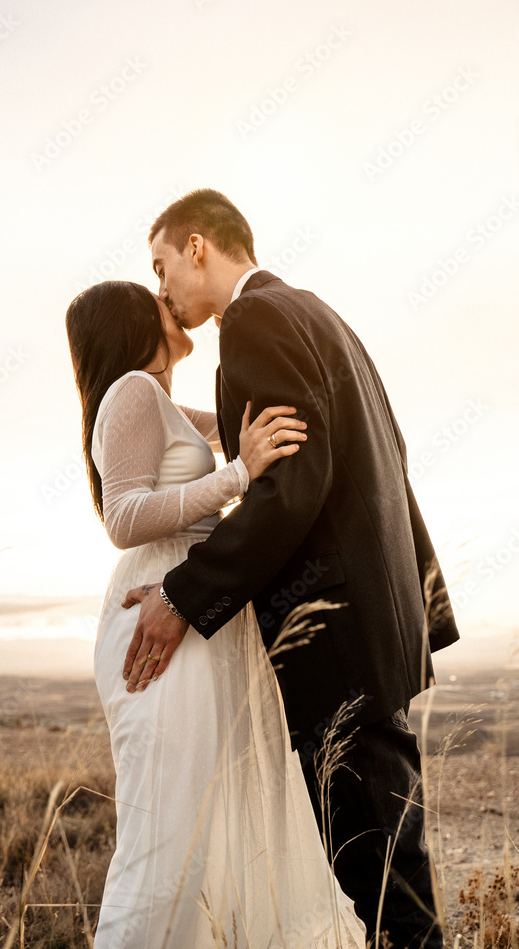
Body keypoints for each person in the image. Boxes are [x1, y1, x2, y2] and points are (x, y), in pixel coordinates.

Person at [121, 189, 461, 949]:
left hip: (338, 648)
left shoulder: (255, 320)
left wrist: (183, 594)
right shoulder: (314, 310)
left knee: (385, 892)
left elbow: (293, 484)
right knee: (390, 878)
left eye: (162, 264)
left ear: (198, 246)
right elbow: (376, 457)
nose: (162, 288)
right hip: (375, 632)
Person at [66, 280, 367, 949]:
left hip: (199, 608)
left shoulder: (162, 404)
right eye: (157, 299)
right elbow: (123, 517)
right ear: (133, 322)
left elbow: (243, 431)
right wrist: (236, 476)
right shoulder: (133, 391)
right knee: (166, 827)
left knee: (202, 825)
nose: (170, 304)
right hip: (160, 605)